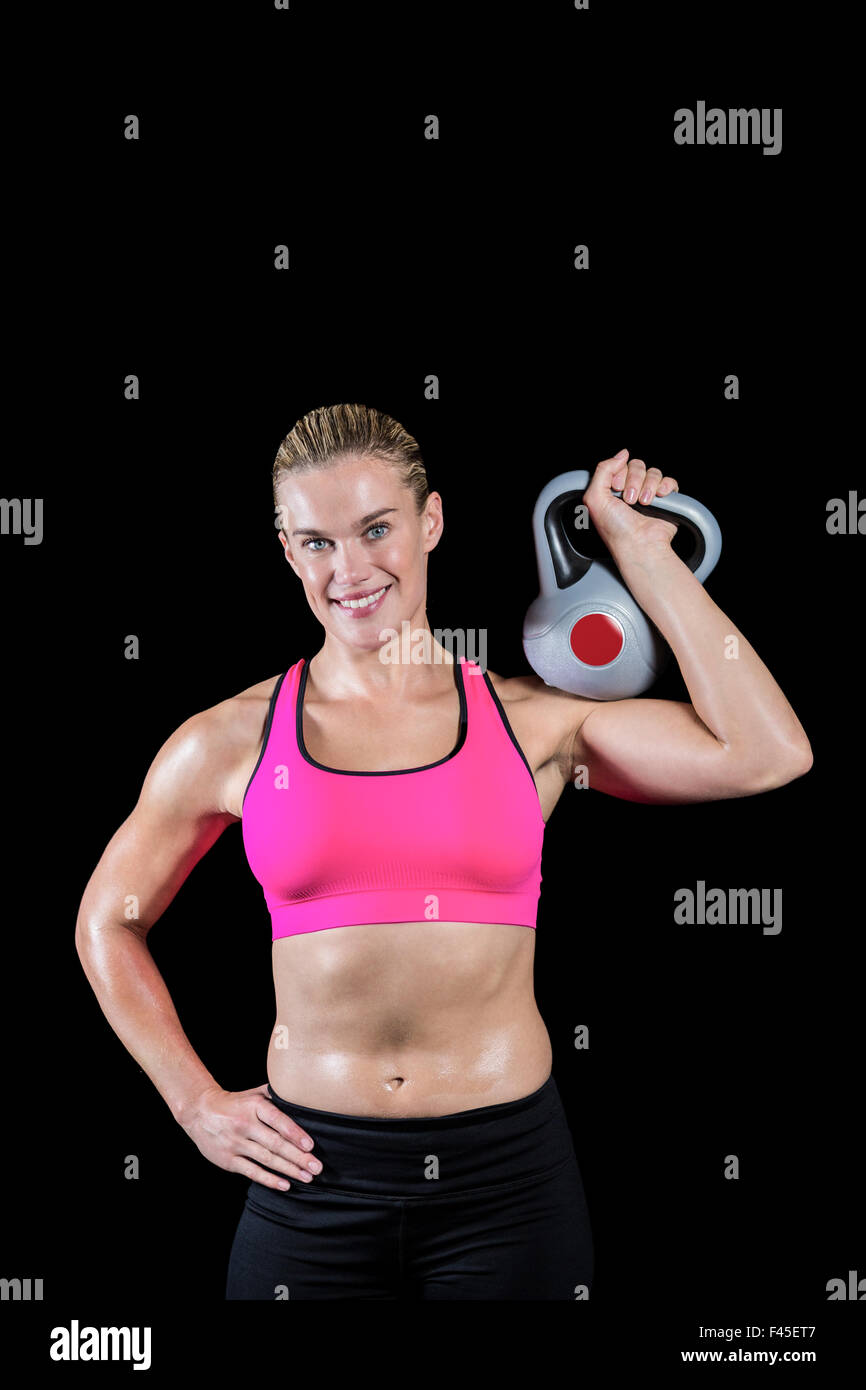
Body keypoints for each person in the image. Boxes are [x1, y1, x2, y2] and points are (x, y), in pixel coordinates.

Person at [75, 403, 813, 1300]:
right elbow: (108, 923)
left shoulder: (530, 721)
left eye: (376, 529)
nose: (349, 570)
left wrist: (643, 552)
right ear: (285, 550)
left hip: (507, 1185)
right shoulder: (229, 739)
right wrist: (194, 1102)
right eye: (315, 542)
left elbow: (766, 753)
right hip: (310, 1181)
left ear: (430, 521)